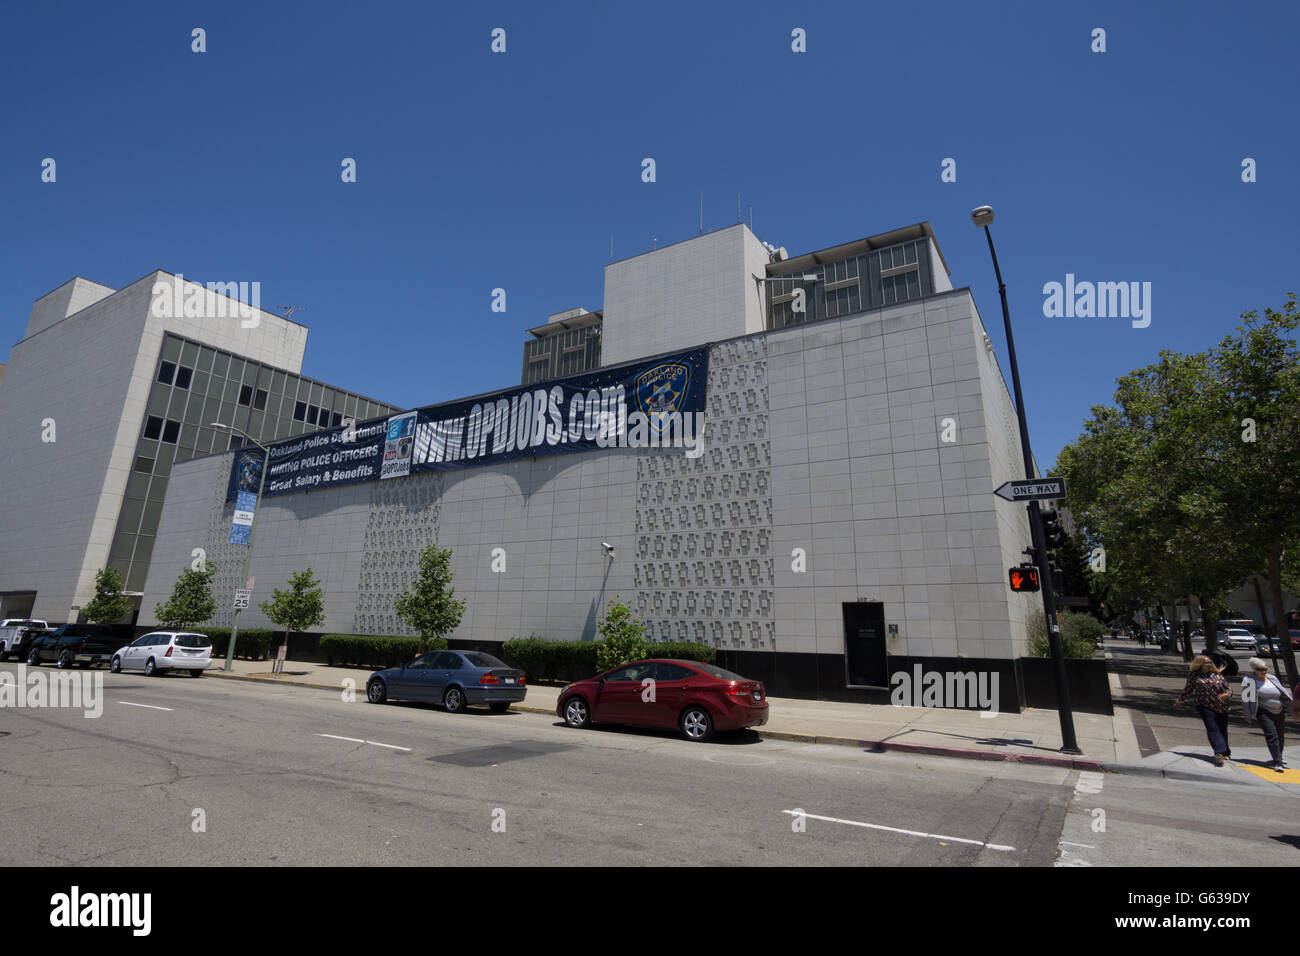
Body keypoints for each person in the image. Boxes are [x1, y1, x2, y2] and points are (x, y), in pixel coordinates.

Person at [1174, 655, 1233, 765]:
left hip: (1221, 705)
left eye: (1210, 662)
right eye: (1206, 663)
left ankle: (1225, 752)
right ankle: (1219, 752)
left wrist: (1227, 694)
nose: (1209, 665)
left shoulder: (1218, 674)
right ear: (1200, 664)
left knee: (1222, 729)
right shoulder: (1194, 675)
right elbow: (1188, 689)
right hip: (1204, 705)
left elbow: (1228, 688)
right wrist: (1180, 699)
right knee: (1212, 728)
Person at [1242, 658, 1292, 772]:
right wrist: (1247, 714)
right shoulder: (1248, 680)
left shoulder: (1272, 678)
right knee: (1271, 734)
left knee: (1280, 734)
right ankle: (1278, 762)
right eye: (1260, 669)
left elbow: (1283, 692)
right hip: (1263, 710)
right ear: (1254, 669)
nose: (1263, 671)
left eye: (1265, 669)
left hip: (1279, 710)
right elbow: (1246, 698)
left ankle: (1278, 756)